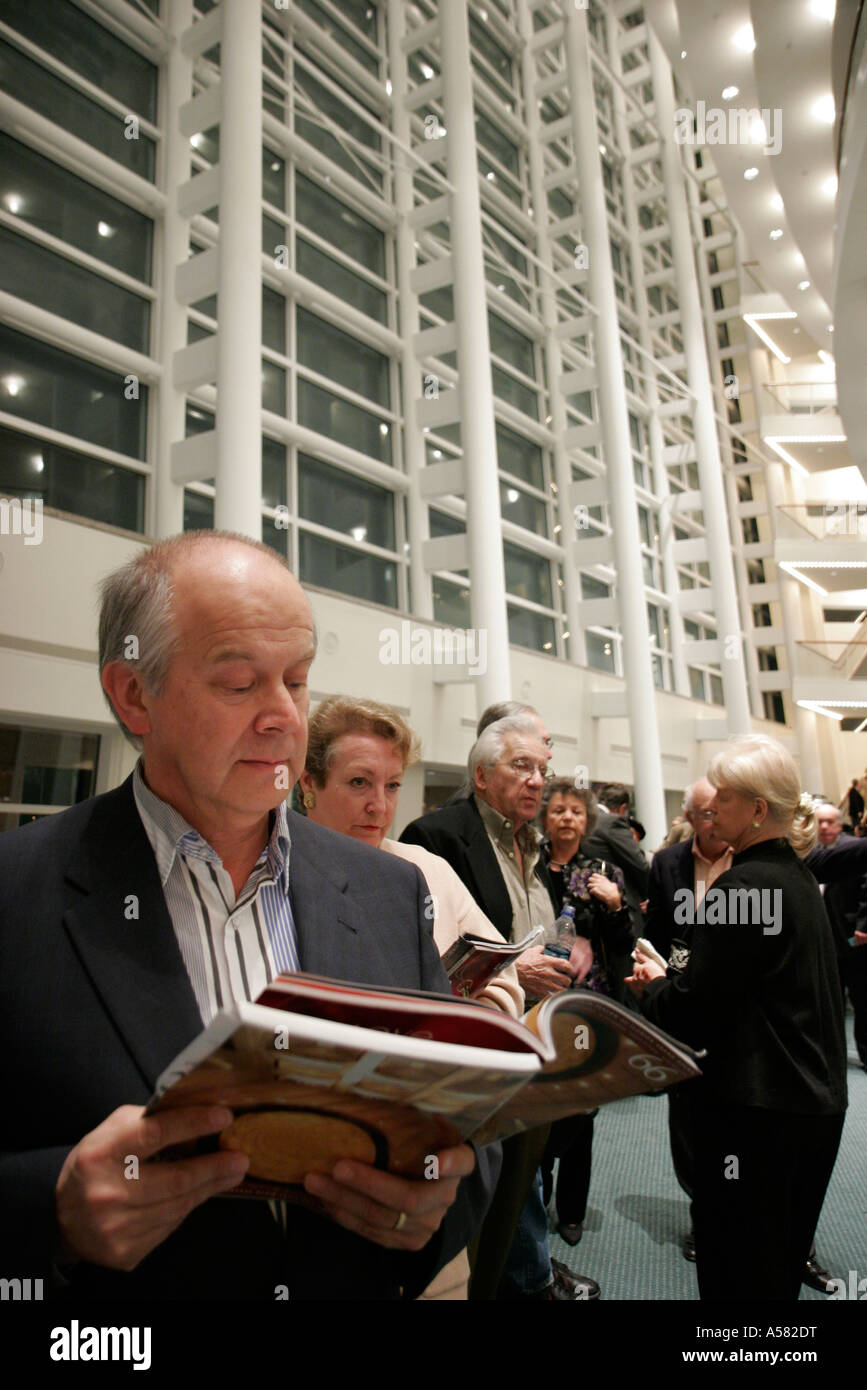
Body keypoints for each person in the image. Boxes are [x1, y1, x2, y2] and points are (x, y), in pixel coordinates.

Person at [0, 532, 499, 1300]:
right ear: (134, 696)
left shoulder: (385, 891)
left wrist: (436, 1199)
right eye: (239, 684)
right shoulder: (16, 895)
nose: (283, 719)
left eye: (296, 682)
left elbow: (452, 1127)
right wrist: (52, 1209)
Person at [298, 694, 525, 1300]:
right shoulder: (283, 879)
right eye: (358, 782)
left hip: (437, 1145)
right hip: (329, 1165)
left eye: (393, 785)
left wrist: (471, 1010)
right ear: (307, 785)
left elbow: (504, 971)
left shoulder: (426, 868)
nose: (379, 805)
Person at [627, 736, 847, 1301]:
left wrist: (654, 987)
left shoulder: (742, 886)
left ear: (756, 810)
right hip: (809, 1106)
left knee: (736, 1273)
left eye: (724, 796)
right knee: (772, 1273)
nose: (710, 807)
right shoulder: (796, 880)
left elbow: (694, 1011)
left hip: (756, 1113)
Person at [401, 717, 598, 1300]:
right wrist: (517, 969)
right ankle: (514, 1281)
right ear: (481, 776)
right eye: (521, 767)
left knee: (526, 1172)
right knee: (483, 1185)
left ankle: (527, 1274)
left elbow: (531, 926)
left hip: (536, 1032)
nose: (538, 781)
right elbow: (429, 949)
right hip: (475, 1045)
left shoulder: (533, 844)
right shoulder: (435, 837)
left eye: (544, 769)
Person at [536, 778, 634, 1246]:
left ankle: (571, 1210)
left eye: (575, 811)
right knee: (539, 1103)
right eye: (558, 810)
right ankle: (538, 1195)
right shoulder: (530, 865)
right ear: (545, 816)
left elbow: (624, 941)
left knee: (581, 1105)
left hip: (585, 1001)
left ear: (587, 819)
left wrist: (615, 906)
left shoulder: (601, 870)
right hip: (537, 999)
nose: (567, 818)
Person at [814, 804, 867, 1070]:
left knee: (862, 1001)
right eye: (819, 822)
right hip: (826, 944)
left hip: (853, 940)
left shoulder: (854, 849)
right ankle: (831, 1057)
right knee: (830, 1003)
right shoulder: (811, 853)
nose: (824, 827)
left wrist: (864, 925)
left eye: (829, 822)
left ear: (839, 823)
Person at [581, 782, 649, 933]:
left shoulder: (583, 818)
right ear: (623, 808)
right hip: (619, 906)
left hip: (584, 905)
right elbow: (639, 865)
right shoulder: (612, 822)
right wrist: (647, 895)